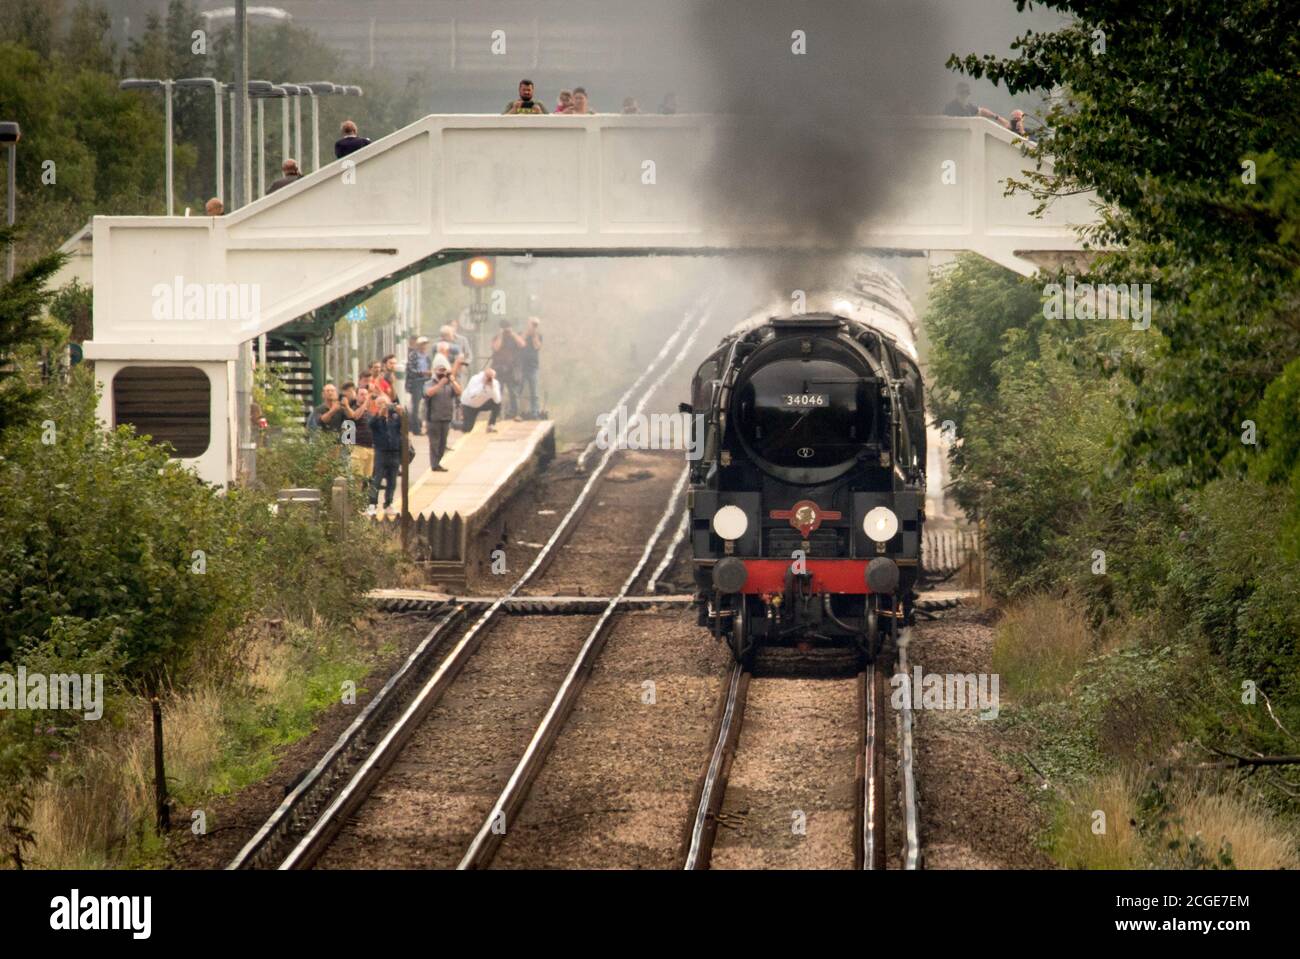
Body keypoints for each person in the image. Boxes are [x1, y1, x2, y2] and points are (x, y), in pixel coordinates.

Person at [366, 394, 403, 518]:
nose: (384, 406)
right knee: (377, 479)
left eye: (385, 403)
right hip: (381, 452)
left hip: (394, 453)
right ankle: (372, 505)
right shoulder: (375, 418)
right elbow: (370, 425)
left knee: (392, 481)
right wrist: (379, 414)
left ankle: (388, 504)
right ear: (376, 405)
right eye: (380, 403)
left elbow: (404, 427)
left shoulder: (395, 417)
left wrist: (402, 413)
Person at [424, 354, 464, 471]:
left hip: (446, 418)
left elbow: (459, 391)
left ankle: (438, 462)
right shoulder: (429, 383)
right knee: (434, 444)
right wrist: (440, 384)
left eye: (444, 370)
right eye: (440, 370)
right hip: (433, 418)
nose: (442, 372)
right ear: (435, 371)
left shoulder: (449, 384)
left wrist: (452, 380)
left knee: (442, 444)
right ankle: (434, 465)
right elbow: (428, 393)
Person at [490, 319, 524, 419]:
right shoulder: (496, 338)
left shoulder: (514, 337)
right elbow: (496, 348)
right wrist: (500, 335)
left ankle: (515, 413)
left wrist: (512, 333)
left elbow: (522, 344)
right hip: (498, 367)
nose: (506, 331)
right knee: (497, 391)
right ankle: (498, 413)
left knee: (513, 392)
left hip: (511, 368)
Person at [349, 384, 376, 492]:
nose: (364, 396)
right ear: (356, 396)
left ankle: (364, 502)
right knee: (357, 478)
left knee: (367, 479)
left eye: (366, 394)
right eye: (361, 394)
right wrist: (366, 401)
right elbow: (355, 416)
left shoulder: (369, 413)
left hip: (370, 448)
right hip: (357, 448)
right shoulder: (353, 409)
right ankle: (356, 504)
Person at [460, 367, 502, 433]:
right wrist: (482, 385)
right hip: (469, 405)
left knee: (497, 405)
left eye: (491, 377)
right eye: (487, 377)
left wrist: (492, 388)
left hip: (482, 404)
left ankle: (491, 425)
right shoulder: (475, 379)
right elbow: (472, 395)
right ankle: (451, 424)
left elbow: (497, 400)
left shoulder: (494, 383)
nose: (489, 379)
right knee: (467, 428)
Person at [406, 336, 431, 433]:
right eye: (422, 344)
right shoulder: (413, 355)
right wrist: (423, 372)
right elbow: (410, 369)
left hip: (426, 381)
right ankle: (416, 429)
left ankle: (428, 428)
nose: (424, 346)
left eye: (425, 344)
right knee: (416, 406)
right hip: (417, 382)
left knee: (428, 405)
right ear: (418, 345)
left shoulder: (427, 356)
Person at [520, 316, 543, 420]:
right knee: (518, 390)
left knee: (534, 392)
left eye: (535, 325)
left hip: (533, 366)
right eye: (532, 324)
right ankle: (517, 412)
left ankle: (535, 413)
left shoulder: (538, 336)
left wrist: (534, 335)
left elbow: (537, 347)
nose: (533, 326)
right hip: (521, 366)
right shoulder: (522, 333)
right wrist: (527, 333)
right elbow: (520, 344)